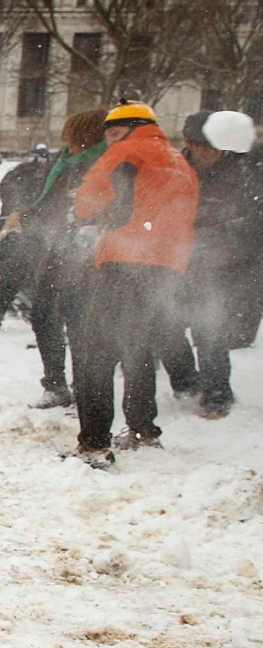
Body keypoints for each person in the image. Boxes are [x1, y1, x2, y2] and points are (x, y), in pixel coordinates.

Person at [66, 100, 199, 467]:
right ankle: (142, 429)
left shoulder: (128, 151)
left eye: (113, 131)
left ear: (131, 128)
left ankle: (94, 444)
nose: (108, 140)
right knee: (137, 347)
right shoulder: (177, 160)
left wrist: (81, 212)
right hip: (167, 267)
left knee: (95, 353)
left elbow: (90, 199)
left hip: (125, 263)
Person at [21, 110, 109, 408]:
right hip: (56, 253)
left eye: (72, 138)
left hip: (85, 260)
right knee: (43, 316)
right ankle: (55, 384)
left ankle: (84, 391)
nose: (67, 145)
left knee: (80, 325)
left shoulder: (101, 165)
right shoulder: (65, 163)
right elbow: (47, 204)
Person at [179, 110, 259, 418]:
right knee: (165, 327)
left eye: (215, 146)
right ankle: (185, 383)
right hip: (179, 259)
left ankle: (216, 395)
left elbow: (251, 220)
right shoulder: (175, 168)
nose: (209, 153)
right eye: (202, 146)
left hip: (224, 264)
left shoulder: (243, 170)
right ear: (190, 143)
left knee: (209, 328)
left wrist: (211, 233)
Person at [0, 144, 52, 329]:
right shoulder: (44, 176)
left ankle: (2, 308)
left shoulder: (15, 174)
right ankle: (11, 307)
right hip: (22, 228)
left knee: (11, 272)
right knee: (26, 271)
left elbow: (5, 194)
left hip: (8, 228)